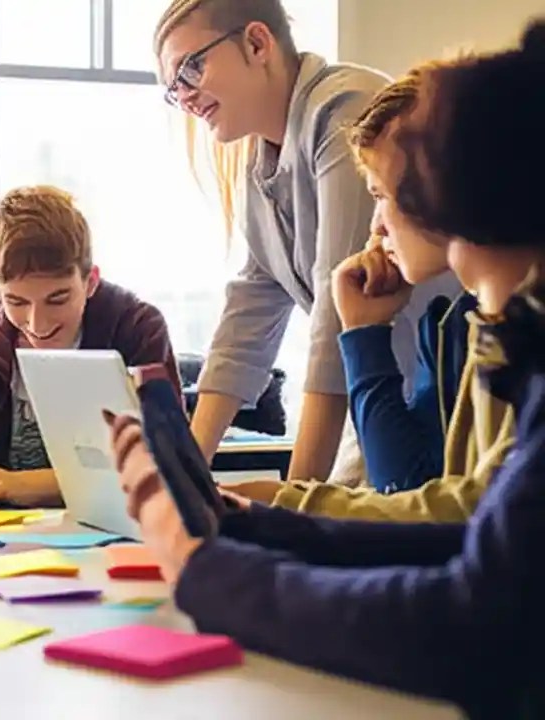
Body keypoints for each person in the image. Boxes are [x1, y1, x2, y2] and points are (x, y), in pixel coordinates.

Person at [108, 24, 545, 717]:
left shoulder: (502, 339)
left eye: (382, 188)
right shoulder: (505, 336)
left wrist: (210, 569)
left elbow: (470, 616)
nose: (374, 217)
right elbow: (474, 524)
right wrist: (252, 522)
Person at [154, 0, 461, 484]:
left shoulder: (344, 108)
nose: (185, 96)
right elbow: (248, 314)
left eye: (191, 68)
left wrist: (298, 501)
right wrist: (181, 473)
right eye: (174, 88)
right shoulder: (261, 158)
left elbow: (332, 319)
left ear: (257, 43)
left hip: (438, 400)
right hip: (377, 400)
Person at [229, 68, 512, 521]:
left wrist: (289, 505)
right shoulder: (458, 324)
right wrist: (364, 331)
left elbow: (475, 522)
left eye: (381, 195)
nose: (376, 225)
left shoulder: (518, 334)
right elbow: (407, 482)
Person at [0, 186, 180, 510]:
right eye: (16, 301)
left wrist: (21, 485)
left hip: (108, 540)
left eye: (57, 299)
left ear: (90, 281)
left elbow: (167, 464)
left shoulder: (136, 331)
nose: (38, 324)